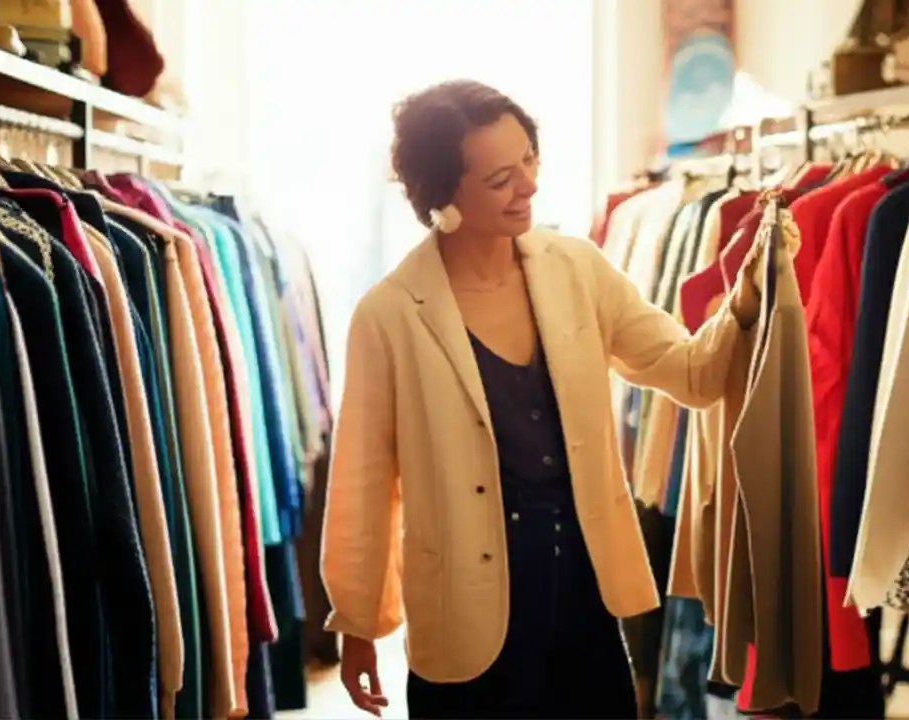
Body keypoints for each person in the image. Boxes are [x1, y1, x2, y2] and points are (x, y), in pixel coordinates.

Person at [321, 79, 764, 719]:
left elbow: (687, 371)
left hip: (584, 589)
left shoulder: (575, 268)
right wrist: (358, 623)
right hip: (462, 609)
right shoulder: (389, 314)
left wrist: (744, 305)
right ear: (444, 190)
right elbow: (363, 480)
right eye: (501, 177)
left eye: (529, 160)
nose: (528, 185)